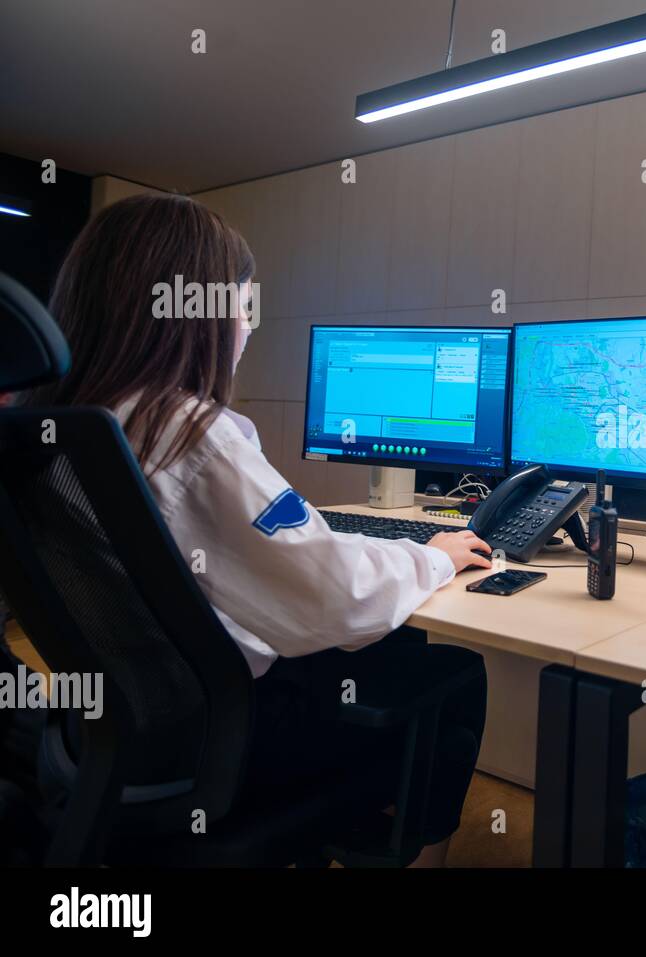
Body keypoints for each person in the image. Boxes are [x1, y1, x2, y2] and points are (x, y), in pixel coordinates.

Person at [25, 193, 494, 866]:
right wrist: (436, 558)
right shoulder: (187, 434)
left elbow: (285, 560)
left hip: (110, 731)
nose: (248, 330)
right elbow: (333, 593)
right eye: (243, 308)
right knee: (453, 670)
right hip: (219, 746)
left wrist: (379, 550)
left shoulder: (69, 426)